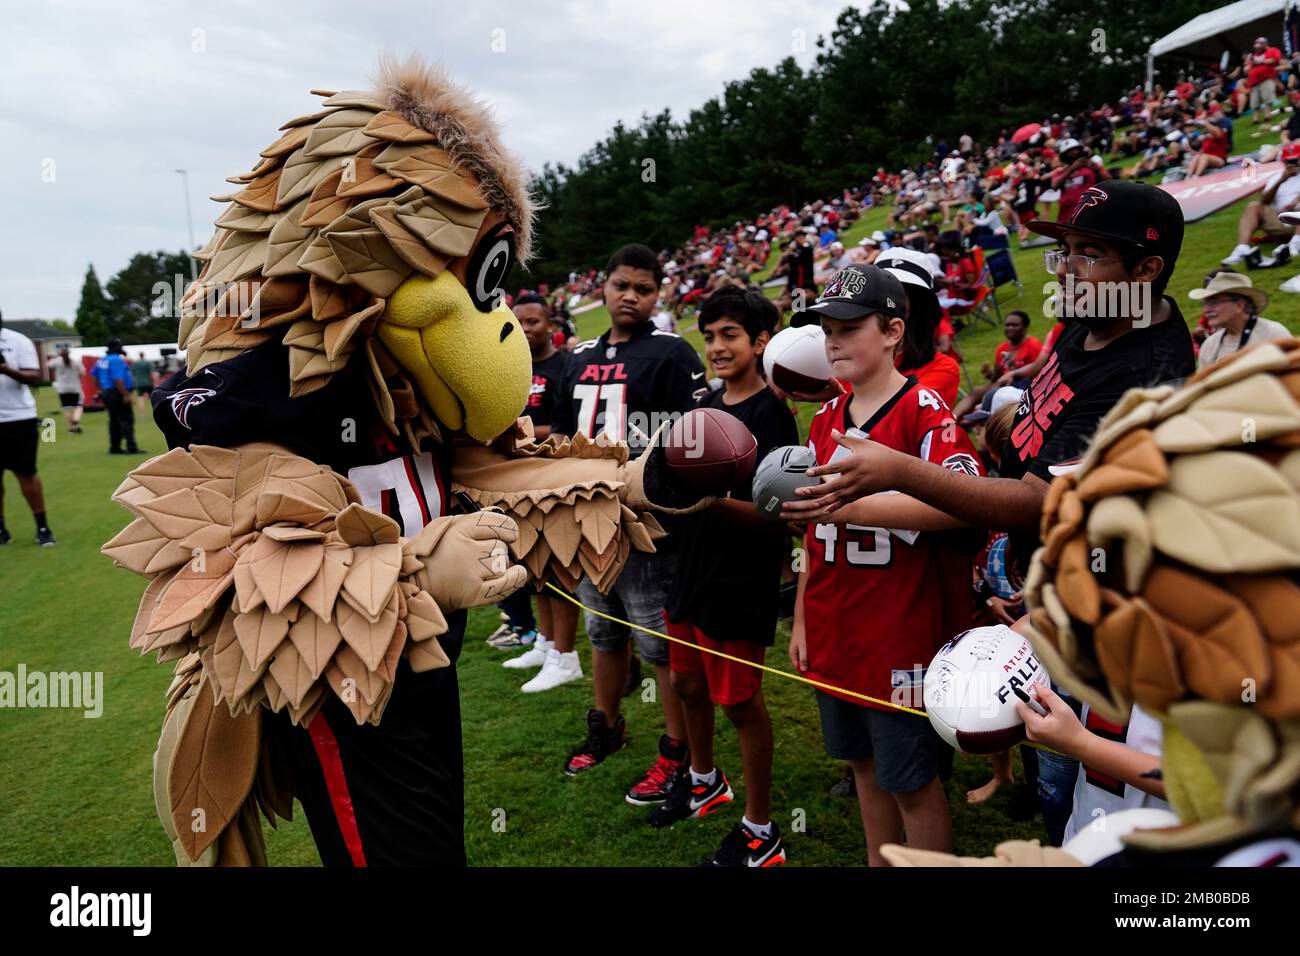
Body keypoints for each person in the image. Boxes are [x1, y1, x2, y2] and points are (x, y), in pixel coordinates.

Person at [792, 180, 1194, 581]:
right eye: (1065, 252)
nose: (1067, 271)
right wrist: (1018, 415)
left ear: (1145, 270)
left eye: (1088, 256)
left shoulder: (1148, 376)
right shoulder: (1102, 313)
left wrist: (900, 471)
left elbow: (1039, 501)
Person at [788, 264, 986, 866]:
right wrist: (800, 617)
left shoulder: (922, 408)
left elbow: (965, 503)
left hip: (899, 632)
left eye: (849, 326)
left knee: (912, 780)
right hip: (833, 622)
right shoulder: (825, 417)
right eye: (826, 328)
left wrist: (858, 504)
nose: (833, 340)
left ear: (894, 330)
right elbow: (816, 537)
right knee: (865, 768)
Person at [550, 243, 710, 799]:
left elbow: (695, 437)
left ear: (657, 294)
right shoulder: (578, 356)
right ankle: (607, 726)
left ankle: (676, 748)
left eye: (644, 289)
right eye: (622, 285)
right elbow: (554, 429)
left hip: (645, 521)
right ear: (604, 286)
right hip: (588, 520)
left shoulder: (672, 353)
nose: (631, 296)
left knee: (658, 643)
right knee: (602, 630)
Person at [654, 286, 796, 866]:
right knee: (685, 684)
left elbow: (782, 513)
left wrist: (706, 499)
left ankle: (761, 832)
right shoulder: (701, 408)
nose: (715, 346)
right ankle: (704, 779)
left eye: (729, 335)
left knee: (740, 702)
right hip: (687, 570)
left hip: (739, 580)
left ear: (761, 341)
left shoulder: (772, 414)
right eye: (709, 335)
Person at [500, 294, 583, 692]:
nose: (526, 328)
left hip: (554, 479)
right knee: (535, 569)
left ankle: (566, 656)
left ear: (550, 325)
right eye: (520, 321)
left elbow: (569, 422)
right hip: (520, 479)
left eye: (534, 321)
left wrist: (521, 430)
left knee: (559, 568)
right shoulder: (512, 365)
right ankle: (547, 644)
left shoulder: (566, 365)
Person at [876, 247, 961, 407]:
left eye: (897, 292)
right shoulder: (852, 358)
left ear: (916, 303)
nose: (885, 301)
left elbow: (896, 421)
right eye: (879, 290)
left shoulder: (942, 369)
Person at [0, 311, 56, 546]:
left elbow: (34, 377)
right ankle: (1, 528)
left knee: (26, 473)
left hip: (17, 417)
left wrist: (5, 368)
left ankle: (42, 526)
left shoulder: (16, 340)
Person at [1189, 272, 1290, 369]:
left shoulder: (1272, 334)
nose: (1206, 310)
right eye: (1205, 303)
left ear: (1239, 306)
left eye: (1214, 302)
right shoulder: (1209, 345)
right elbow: (1204, 384)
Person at [1222, 141, 1300, 266]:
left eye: (1295, 160)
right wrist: (1281, 181)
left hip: (1298, 218)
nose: (1292, 164)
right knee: (1253, 206)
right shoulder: (1277, 178)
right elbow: (1264, 202)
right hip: (1282, 220)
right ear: (1283, 162)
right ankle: (1242, 248)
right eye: (1288, 161)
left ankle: (1296, 244)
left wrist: (1296, 202)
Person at [93, 338, 145, 456]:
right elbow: (118, 380)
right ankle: (131, 446)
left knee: (114, 420)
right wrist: (126, 395)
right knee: (126, 419)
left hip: (107, 392)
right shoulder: (116, 360)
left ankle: (115, 447)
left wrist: (102, 389)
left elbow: (94, 377)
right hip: (117, 392)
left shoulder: (101, 360)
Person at [1050, 138, 1110, 223]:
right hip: (1067, 215)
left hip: (1090, 211)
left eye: (1075, 150)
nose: (1073, 153)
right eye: (1069, 152)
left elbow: (1108, 180)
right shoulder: (1061, 171)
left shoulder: (1091, 165)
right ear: (1064, 155)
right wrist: (1071, 169)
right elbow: (1054, 185)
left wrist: (1096, 169)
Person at [984, 310, 1041, 382]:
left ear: (1025, 328)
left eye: (1015, 325)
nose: (1010, 328)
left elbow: (1040, 373)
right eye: (1007, 325)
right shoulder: (1001, 348)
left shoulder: (1034, 346)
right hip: (1005, 386)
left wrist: (1015, 371)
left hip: (1028, 386)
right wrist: (990, 374)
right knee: (978, 391)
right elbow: (997, 377)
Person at [48, 345, 84, 434]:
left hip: (62, 388)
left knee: (67, 408)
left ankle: (72, 428)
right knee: (78, 406)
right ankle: (76, 420)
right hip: (75, 387)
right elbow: (83, 372)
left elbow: (48, 365)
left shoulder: (57, 361)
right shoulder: (75, 362)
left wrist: (56, 356)